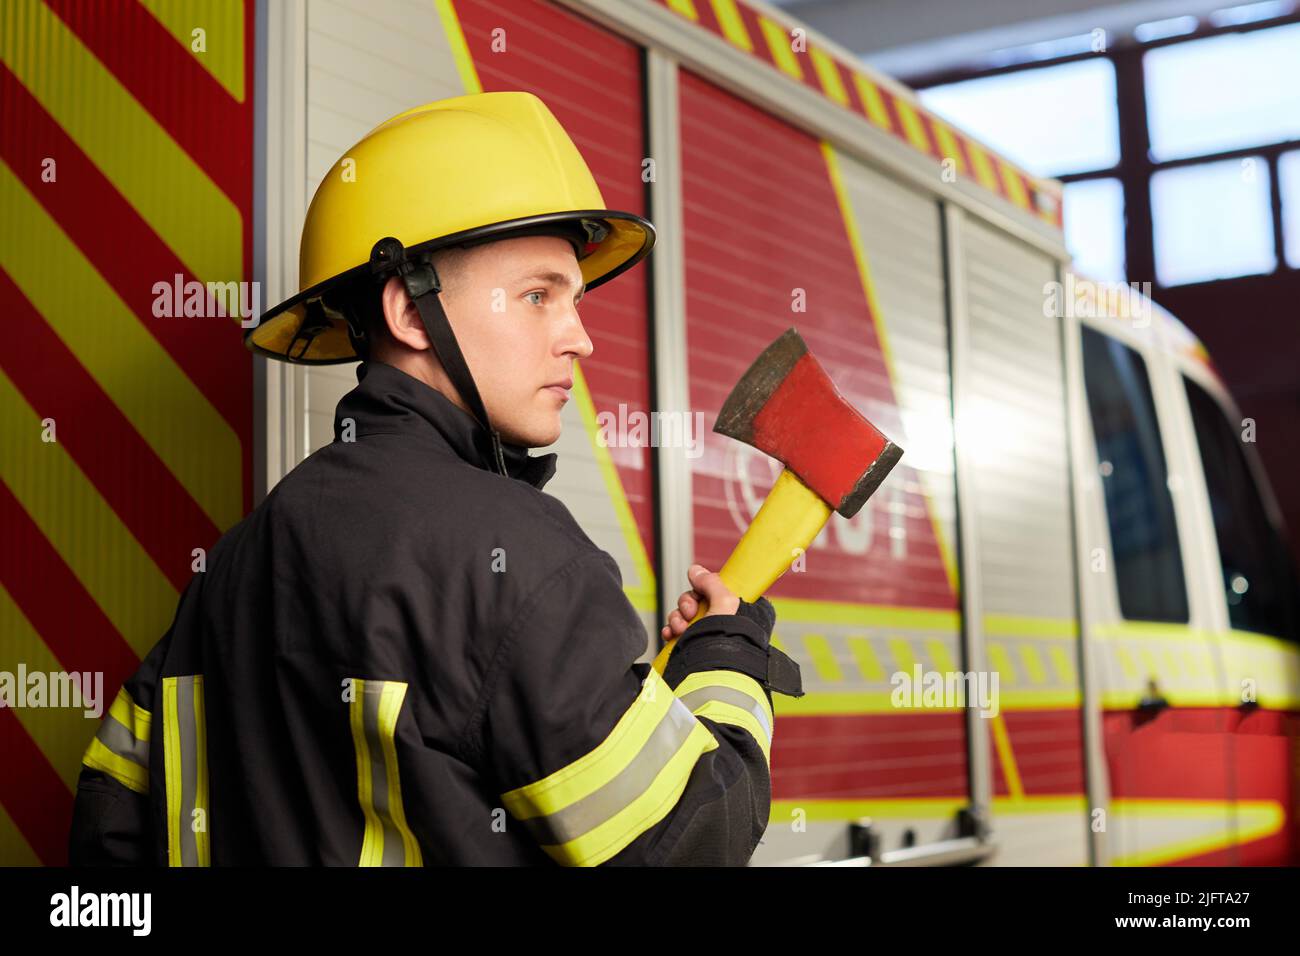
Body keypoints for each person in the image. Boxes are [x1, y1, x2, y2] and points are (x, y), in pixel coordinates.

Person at [69, 91, 802, 866]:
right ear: (411, 315)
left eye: (576, 301)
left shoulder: (227, 573)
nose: (581, 339)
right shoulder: (517, 559)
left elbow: (112, 824)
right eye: (537, 296)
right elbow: (693, 843)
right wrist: (723, 661)